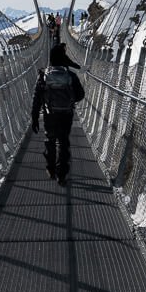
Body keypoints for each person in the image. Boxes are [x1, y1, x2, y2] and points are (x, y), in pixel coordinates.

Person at [32, 43, 85, 185]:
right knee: (63, 142)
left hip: (50, 114)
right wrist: (69, 98)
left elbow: (37, 98)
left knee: (50, 140)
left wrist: (35, 118)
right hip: (66, 114)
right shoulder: (71, 75)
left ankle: (51, 169)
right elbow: (80, 95)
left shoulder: (43, 76)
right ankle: (62, 174)